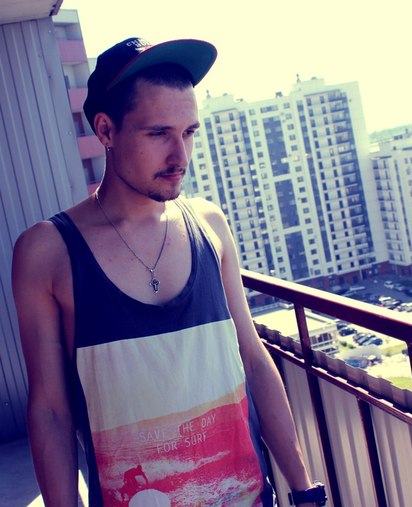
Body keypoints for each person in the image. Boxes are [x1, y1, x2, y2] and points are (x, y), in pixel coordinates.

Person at [12, 37, 326, 507]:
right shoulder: (47, 252)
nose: (180, 156)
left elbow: (254, 360)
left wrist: (305, 490)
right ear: (106, 130)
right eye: (159, 133)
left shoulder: (210, 224)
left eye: (189, 133)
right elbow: (50, 411)